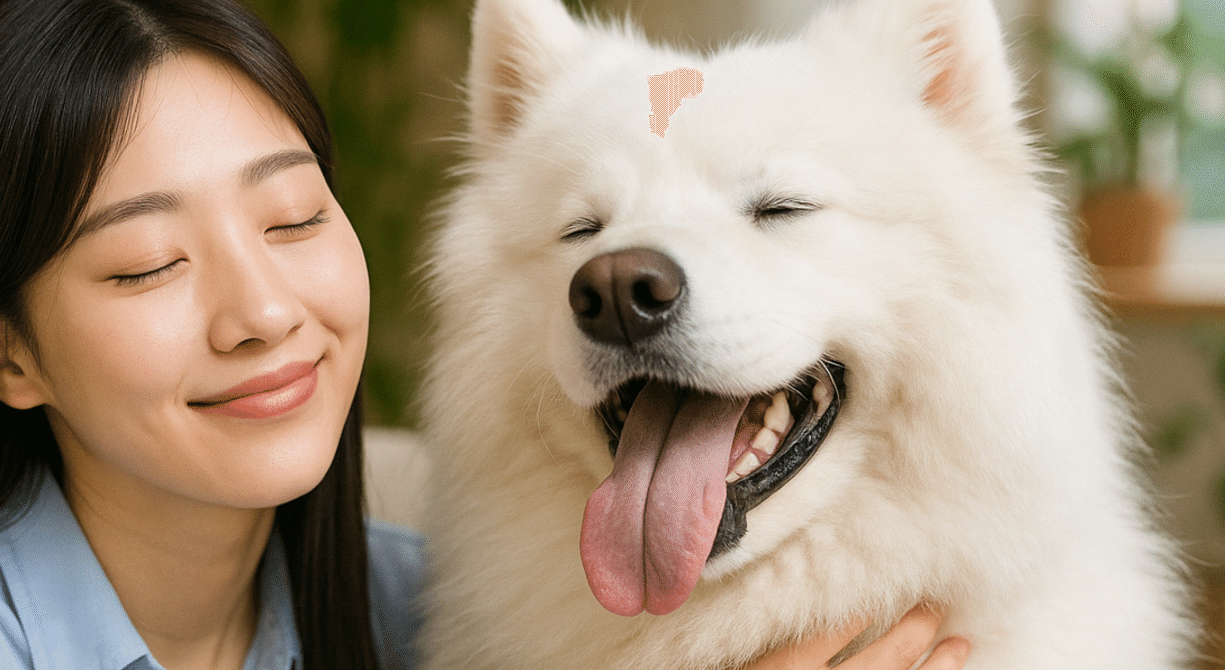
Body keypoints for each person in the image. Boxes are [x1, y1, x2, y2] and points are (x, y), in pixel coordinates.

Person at [0, 1, 969, 669]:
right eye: (146, 263)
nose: (262, 312)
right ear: (12, 352)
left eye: (293, 217)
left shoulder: (410, 608)